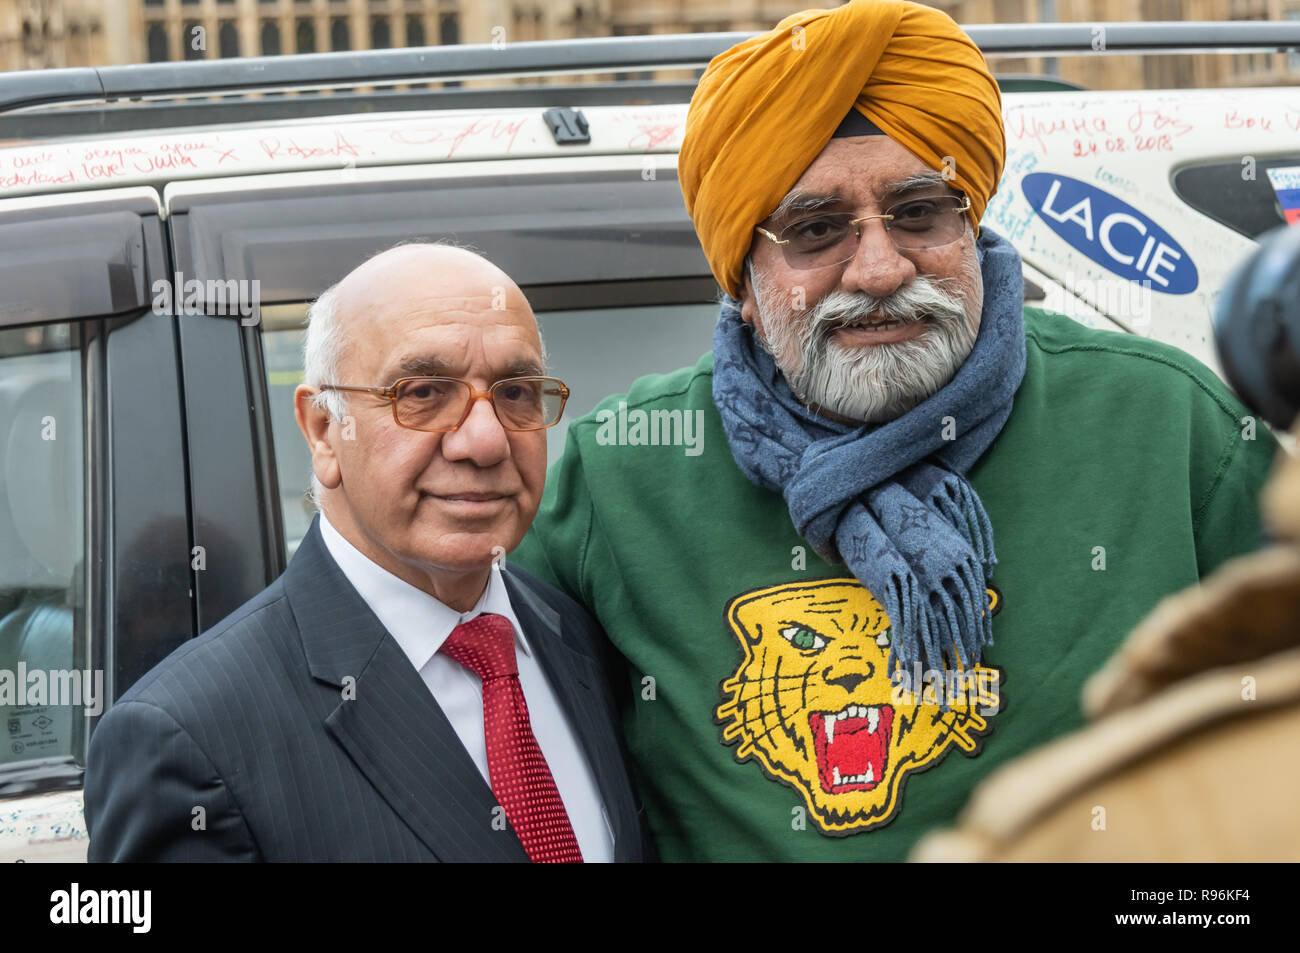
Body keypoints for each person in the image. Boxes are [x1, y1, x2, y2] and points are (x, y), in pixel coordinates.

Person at [510, 0, 1279, 861]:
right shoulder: (618, 479)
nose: (878, 269)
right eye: (815, 230)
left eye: (919, 213)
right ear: (742, 283)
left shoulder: (1171, 428)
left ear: (971, 226)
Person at [84, 243, 648, 862]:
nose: (486, 441)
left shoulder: (581, 636)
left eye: (515, 393)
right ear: (323, 431)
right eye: (423, 392)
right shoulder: (188, 739)